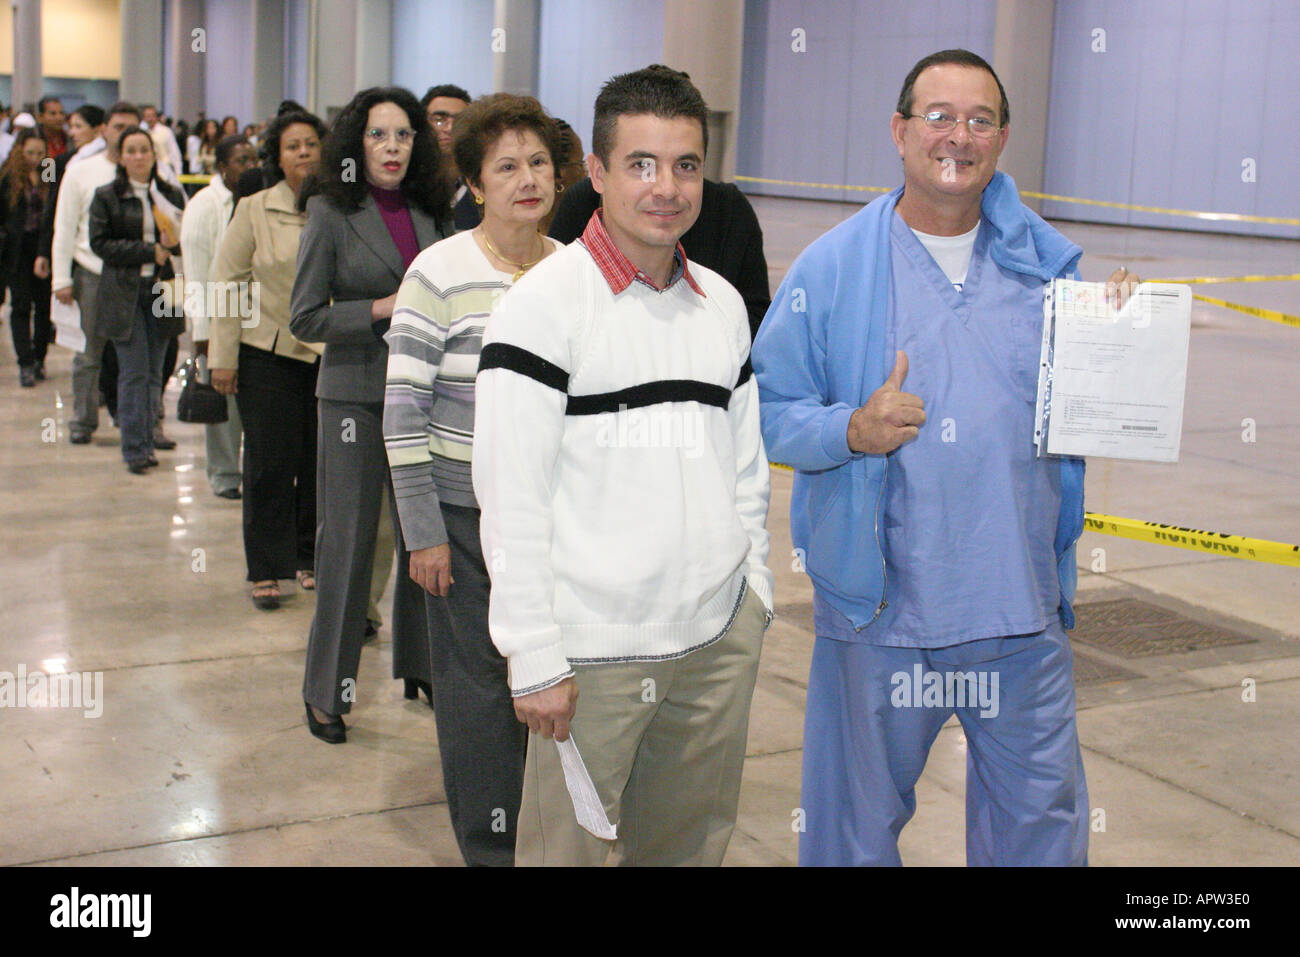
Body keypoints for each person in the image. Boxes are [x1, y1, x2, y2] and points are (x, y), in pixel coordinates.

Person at [753, 49, 1140, 867]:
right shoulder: (833, 268)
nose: (958, 137)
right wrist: (850, 430)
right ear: (899, 131)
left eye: (980, 120)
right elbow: (768, 412)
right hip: (884, 615)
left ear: (1001, 138)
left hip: (1019, 611)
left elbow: (1089, 414)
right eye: (938, 117)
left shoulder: (1048, 272)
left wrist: (1122, 344)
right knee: (853, 834)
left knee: (1039, 833)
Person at [472, 65, 773, 866]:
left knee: (686, 850)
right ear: (597, 174)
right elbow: (511, 496)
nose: (665, 187)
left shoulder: (721, 304)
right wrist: (533, 653)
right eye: (640, 164)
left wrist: (756, 593)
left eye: (685, 165)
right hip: (593, 657)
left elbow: (746, 466)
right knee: (561, 856)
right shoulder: (541, 307)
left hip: (713, 641)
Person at [384, 92, 564, 865]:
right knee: (480, 694)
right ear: (477, 184)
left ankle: (552, 837)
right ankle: (491, 848)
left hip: (557, 521)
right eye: (507, 166)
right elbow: (401, 412)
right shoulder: (439, 271)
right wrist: (423, 531)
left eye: (539, 163)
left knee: (554, 681)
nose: (527, 178)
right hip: (461, 521)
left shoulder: (577, 271)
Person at [291, 86, 454, 745]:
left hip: (425, 398)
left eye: (404, 135)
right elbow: (305, 316)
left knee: (427, 536)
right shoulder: (332, 211)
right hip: (355, 398)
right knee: (350, 543)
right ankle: (327, 691)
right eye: (379, 135)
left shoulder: (432, 210)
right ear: (357, 143)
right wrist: (385, 308)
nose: (392, 146)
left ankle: (422, 669)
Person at [208, 112, 326, 605]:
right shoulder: (254, 208)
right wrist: (222, 357)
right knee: (269, 464)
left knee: (318, 462)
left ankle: (309, 556)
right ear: (277, 158)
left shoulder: (337, 208)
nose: (303, 152)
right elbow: (227, 283)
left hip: (327, 354)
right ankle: (266, 567)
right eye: (292, 145)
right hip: (267, 353)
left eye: (311, 143)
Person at [86, 127, 187, 473]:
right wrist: (148, 251)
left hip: (164, 288)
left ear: (154, 155)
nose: (139, 156)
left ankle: (151, 436)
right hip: (125, 291)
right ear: (121, 156)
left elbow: (182, 240)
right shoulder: (107, 196)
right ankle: (134, 448)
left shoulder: (170, 193)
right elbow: (100, 244)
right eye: (131, 150)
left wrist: (171, 244)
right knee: (134, 372)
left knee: (157, 371)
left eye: (145, 150)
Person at [50, 102, 142, 445]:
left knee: (135, 357)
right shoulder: (81, 170)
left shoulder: (147, 170)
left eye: (132, 128)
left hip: (136, 276)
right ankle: (83, 419)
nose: (125, 134)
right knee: (88, 353)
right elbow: (65, 226)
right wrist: (62, 279)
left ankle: (135, 422)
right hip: (91, 273)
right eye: (118, 127)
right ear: (105, 130)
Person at [180, 134, 258, 500]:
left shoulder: (259, 201)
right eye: (241, 160)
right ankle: (224, 474)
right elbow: (195, 275)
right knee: (222, 401)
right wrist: (202, 331)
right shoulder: (204, 205)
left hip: (257, 315)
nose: (250, 166)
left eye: (253, 159)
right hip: (218, 317)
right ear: (223, 166)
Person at [1, 129, 52, 386]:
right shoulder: (8, 175)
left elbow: (53, 205)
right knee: (20, 305)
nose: (35, 158)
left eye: (40, 153)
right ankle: (25, 362)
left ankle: (40, 356)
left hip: (43, 246)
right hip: (16, 249)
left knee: (44, 306)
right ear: (20, 150)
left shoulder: (48, 171)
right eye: (30, 152)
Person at [419, 84, 473, 230]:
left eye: (459, 120)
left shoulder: (482, 184)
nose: (449, 128)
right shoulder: (409, 184)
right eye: (439, 119)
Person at [140, 105, 184, 185]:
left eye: (152, 116)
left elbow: (174, 152)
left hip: (165, 169)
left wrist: (178, 172)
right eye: (147, 116)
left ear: (156, 117)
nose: (150, 119)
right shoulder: (142, 133)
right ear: (144, 118)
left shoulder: (166, 131)